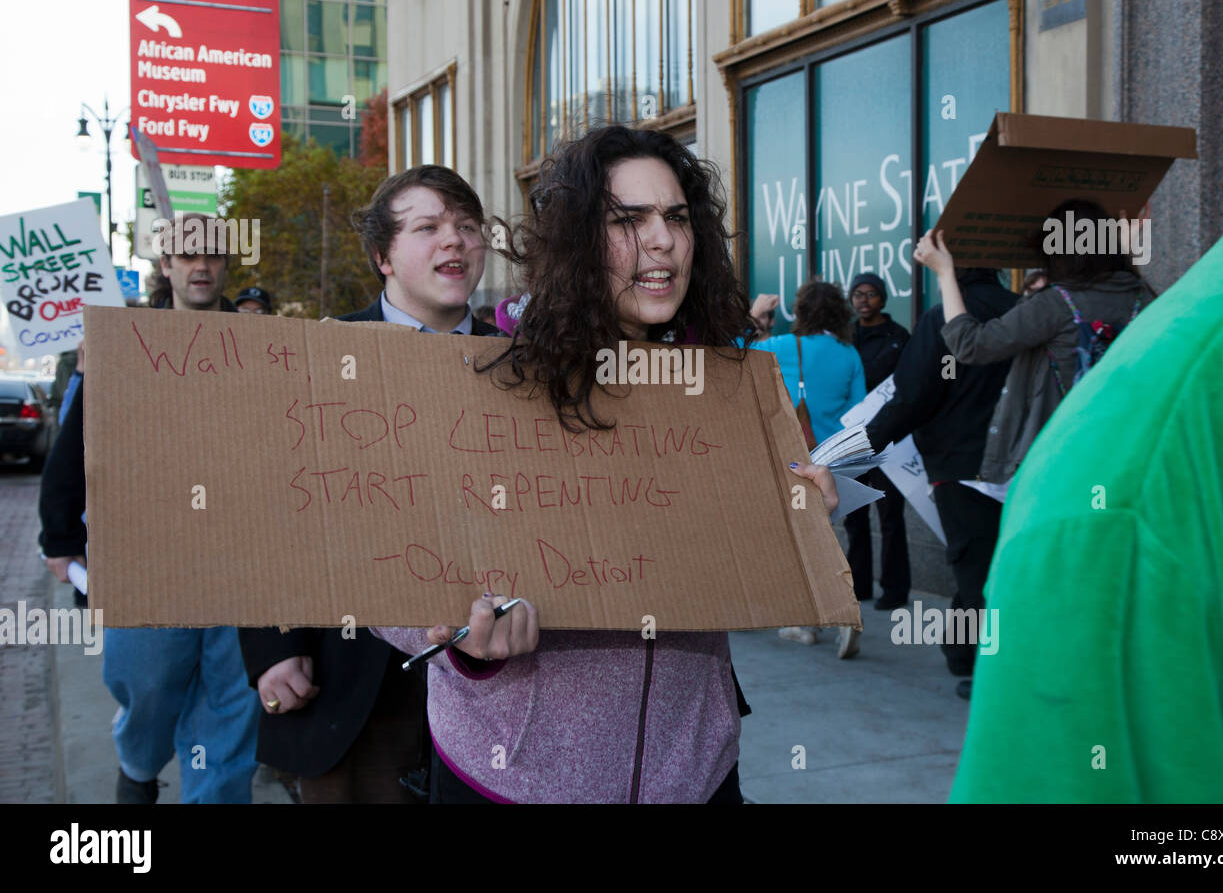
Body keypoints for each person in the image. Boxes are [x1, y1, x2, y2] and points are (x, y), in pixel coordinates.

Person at [372, 125, 838, 803]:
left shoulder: (725, 390)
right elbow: (383, 559)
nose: (662, 240)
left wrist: (801, 530)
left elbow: (748, 568)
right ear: (577, 241)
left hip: (695, 776)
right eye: (629, 220)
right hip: (513, 779)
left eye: (677, 217)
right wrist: (458, 633)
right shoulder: (490, 373)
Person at [949, 0, 1223, 802]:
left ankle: (964, 670)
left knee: (969, 572)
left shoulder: (1065, 312)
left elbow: (970, 343)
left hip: (1036, 457)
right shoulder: (1145, 307)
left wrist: (945, 276)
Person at [237, 165, 500, 803]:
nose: (455, 242)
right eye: (428, 227)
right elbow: (268, 507)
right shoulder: (319, 356)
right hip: (352, 683)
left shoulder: (520, 360)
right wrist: (275, 647)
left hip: (495, 685)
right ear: (382, 255)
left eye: (468, 227)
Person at [39, 214, 261, 803]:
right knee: (148, 684)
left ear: (225, 265)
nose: (201, 266)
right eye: (187, 257)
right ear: (166, 266)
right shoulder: (124, 346)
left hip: (239, 557)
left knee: (229, 699)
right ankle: (138, 766)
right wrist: (60, 540)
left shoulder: (263, 348)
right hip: (149, 558)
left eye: (212, 256)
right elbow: (74, 448)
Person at [915, 201, 1154, 488]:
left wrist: (945, 273)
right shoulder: (1144, 297)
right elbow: (1115, 293)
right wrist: (1123, 252)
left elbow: (970, 345)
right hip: (1130, 450)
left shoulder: (1057, 304)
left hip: (1063, 459)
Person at [863, 267, 1019, 696]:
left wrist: (865, 442)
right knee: (993, 562)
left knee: (972, 567)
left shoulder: (940, 320)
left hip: (958, 464)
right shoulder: (1023, 312)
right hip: (1020, 461)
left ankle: (985, 669)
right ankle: (961, 650)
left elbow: (913, 395)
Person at [751, 280, 865, 651]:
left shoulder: (778, 346)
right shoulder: (849, 353)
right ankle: (844, 607)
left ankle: (805, 622)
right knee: (825, 532)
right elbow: (859, 410)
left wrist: (755, 315)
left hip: (791, 457)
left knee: (795, 538)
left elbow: (733, 352)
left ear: (800, 313)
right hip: (836, 456)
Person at [845, 272, 912, 625]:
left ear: (883, 299)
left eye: (871, 294)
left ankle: (895, 589)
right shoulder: (846, 337)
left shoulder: (901, 337)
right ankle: (859, 586)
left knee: (890, 517)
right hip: (853, 440)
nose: (864, 300)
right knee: (855, 516)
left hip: (888, 440)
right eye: (858, 294)